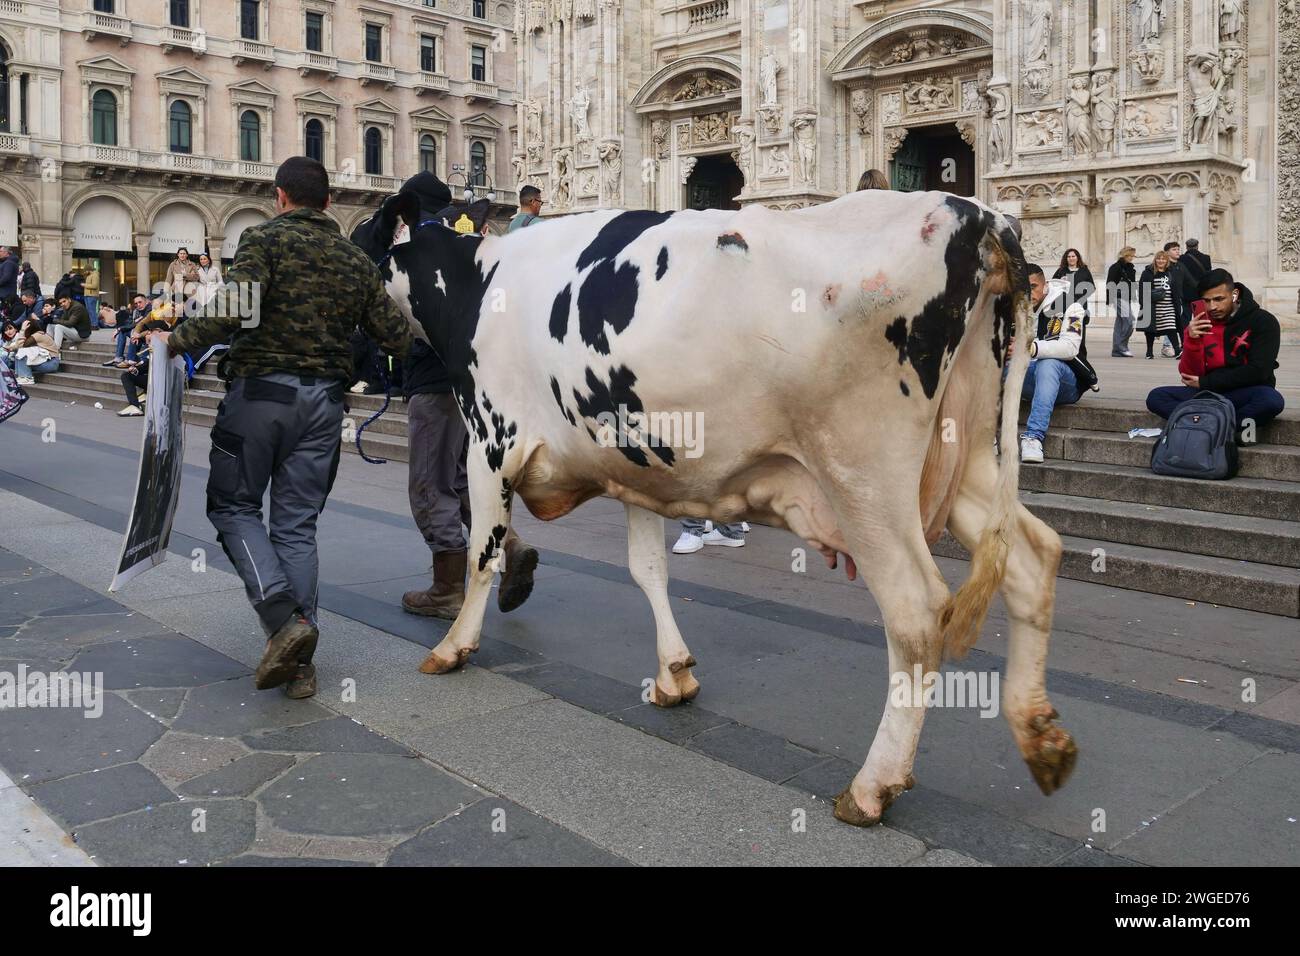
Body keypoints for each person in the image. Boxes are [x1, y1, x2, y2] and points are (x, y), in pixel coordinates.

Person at [163, 156, 413, 700]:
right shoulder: (353, 259)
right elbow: (397, 337)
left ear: (280, 197)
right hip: (323, 406)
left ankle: (283, 620)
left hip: (260, 397)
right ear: (327, 202)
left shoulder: (264, 240)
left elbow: (236, 307)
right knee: (297, 526)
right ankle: (300, 666)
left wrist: (176, 338)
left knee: (233, 507)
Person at [394, 174, 541, 620]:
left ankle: (447, 589)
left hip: (433, 384)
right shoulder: (473, 246)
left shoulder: (421, 251)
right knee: (460, 480)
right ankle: (510, 544)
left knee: (431, 484)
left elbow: (405, 321)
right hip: (470, 384)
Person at [1146, 268, 1285, 438]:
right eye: (1207, 300)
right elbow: (1189, 375)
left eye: (1219, 299)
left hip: (1245, 391)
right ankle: (1224, 427)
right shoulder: (1201, 322)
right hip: (1209, 394)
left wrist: (1207, 382)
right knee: (1157, 397)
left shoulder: (1263, 321)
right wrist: (1192, 340)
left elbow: (1259, 371)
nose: (1213, 307)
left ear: (1234, 294)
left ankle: (1202, 424)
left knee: (1271, 401)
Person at [1015, 263, 1096, 464]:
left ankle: (1034, 437)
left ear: (1045, 286)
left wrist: (1031, 348)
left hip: (1066, 382)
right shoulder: (1015, 308)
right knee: (992, 365)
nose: (1027, 293)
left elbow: (1070, 348)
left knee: (1048, 363)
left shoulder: (1072, 306)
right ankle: (984, 433)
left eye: (1032, 286)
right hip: (1028, 377)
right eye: (1022, 287)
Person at [1139, 249, 1182, 359]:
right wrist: (1143, 304)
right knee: (1150, 331)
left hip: (1169, 306)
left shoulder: (1171, 272)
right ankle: (1149, 352)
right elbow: (1142, 289)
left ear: (1166, 260)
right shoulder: (1147, 272)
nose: (1161, 260)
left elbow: (1176, 289)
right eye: (1158, 258)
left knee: (1171, 327)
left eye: (1163, 259)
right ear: (1155, 260)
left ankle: (1177, 350)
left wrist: (1178, 303)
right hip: (1153, 307)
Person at [1106, 246, 1137, 357]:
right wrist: (1109, 299)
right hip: (1118, 297)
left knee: (1120, 323)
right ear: (1125, 255)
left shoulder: (1131, 268)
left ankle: (1116, 350)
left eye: (1133, 256)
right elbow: (1110, 283)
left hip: (1126, 297)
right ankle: (1121, 346)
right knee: (1130, 320)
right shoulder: (1115, 267)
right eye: (1130, 255)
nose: (1132, 258)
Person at [106, 292, 152, 367]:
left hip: (148, 333)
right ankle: (119, 357)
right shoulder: (137, 311)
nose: (138, 305)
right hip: (140, 333)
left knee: (132, 333)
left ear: (146, 301)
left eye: (140, 302)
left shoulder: (149, 309)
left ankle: (130, 359)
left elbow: (141, 323)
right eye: (136, 303)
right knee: (123, 332)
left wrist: (121, 329)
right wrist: (120, 329)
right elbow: (130, 323)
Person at [1052, 248, 1096, 321]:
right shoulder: (1061, 271)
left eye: (1073, 256)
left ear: (1077, 258)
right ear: (1066, 259)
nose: (1071, 258)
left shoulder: (1084, 270)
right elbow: (1053, 285)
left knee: (1078, 326)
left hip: (1080, 303)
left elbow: (1092, 287)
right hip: (1064, 303)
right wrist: (1060, 281)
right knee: (1064, 325)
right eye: (1068, 257)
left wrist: (1083, 292)